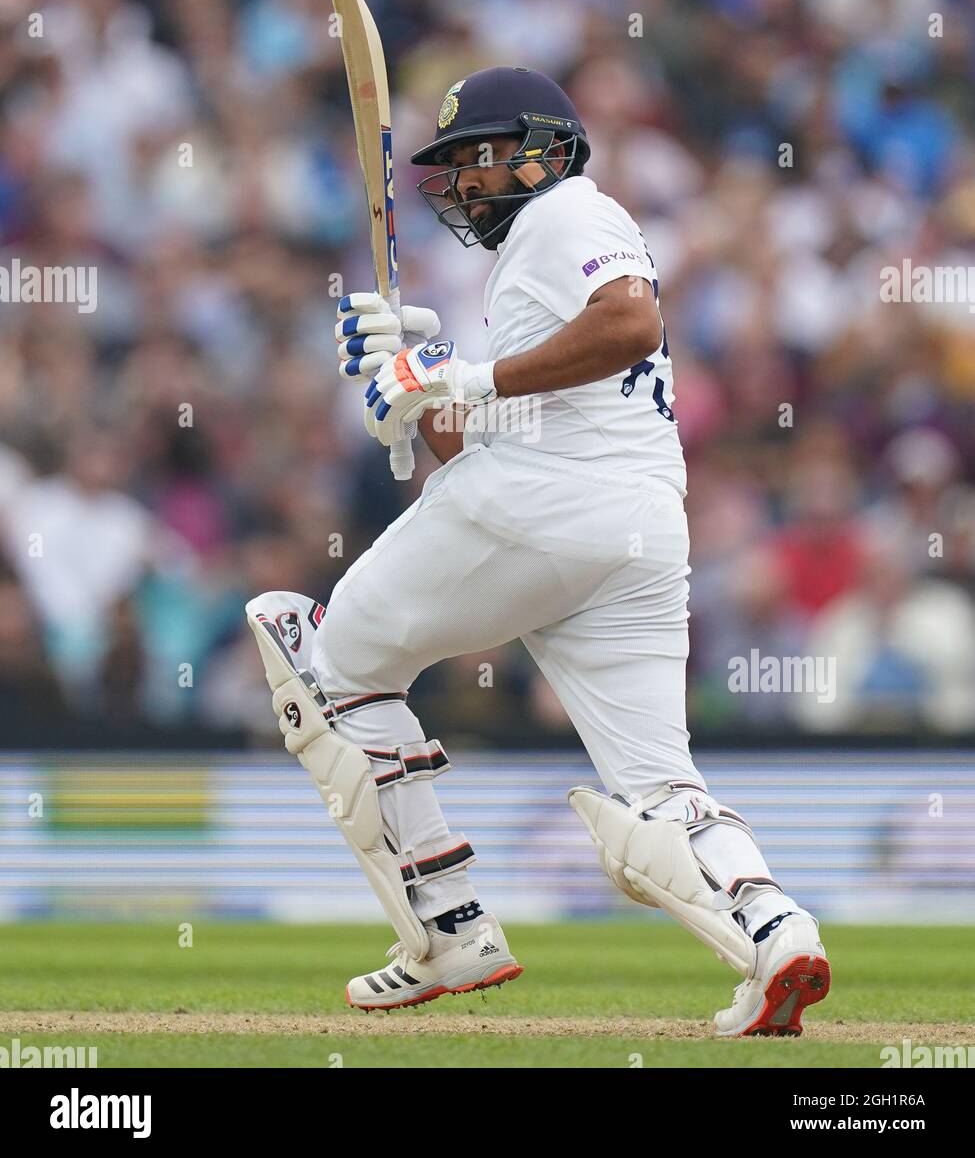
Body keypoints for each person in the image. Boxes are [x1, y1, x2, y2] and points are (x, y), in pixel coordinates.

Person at [248, 67, 829, 1036]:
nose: (463, 184)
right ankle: (777, 931)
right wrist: (417, 389)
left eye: (476, 158)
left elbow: (629, 321)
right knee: (658, 787)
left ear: (540, 147)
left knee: (317, 658)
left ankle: (448, 928)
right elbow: (481, 443)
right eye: (452, 167)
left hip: (544, 504)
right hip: (633, 528)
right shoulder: (529, 258)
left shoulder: (569, 212)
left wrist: (458, 373)